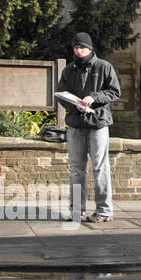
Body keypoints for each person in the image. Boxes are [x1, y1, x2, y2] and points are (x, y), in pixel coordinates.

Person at [56, 32, 120, 223]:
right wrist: (73, 104)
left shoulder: (104, 67)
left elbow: (114, 91)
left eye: (82, 47)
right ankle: (77, 211)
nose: (79, 50)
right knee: (76, 169)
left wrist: (94, 97)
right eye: (76, 48)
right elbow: (60, 94)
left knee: (100, 167)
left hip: (98, 124)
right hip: (76, 125)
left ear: (90, 48)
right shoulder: (68, 70)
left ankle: (104, 210)